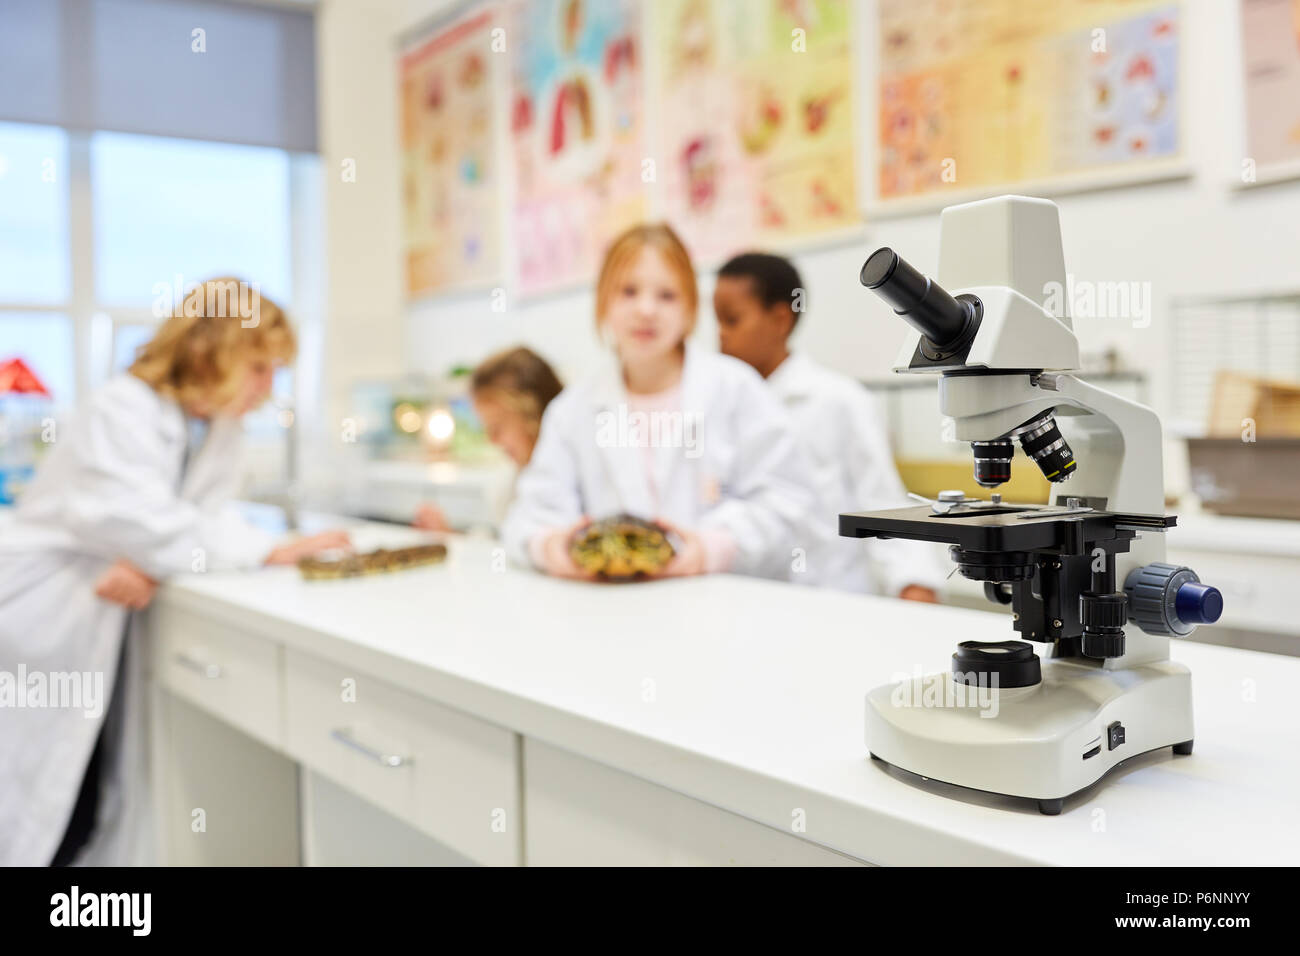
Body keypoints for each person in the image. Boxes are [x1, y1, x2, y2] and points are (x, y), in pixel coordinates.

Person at [0, 278, 350, 867]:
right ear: (209, 350)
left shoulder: (217, 427)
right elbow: (133, 518)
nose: (268, 389)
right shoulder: (122, 406)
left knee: (86, 800)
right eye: (260, 368)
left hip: (105, 605)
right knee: (44, 795)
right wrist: (265, 551)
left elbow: (185, 525)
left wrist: (154, 563)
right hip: (46, 612)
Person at [502, 223, 814, 580]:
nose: (646, 309)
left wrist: (708, 548)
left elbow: (787, 503)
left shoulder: (736, 389)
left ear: (690, 308)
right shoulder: (571, 410)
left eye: (667, 295)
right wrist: (551, 546)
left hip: (723, 605)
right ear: (603, 301)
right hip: (610, 609)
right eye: (628, 291)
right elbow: (531, 515)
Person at [715, 252, 944, 599]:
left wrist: (914, 581)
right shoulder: (719, 407)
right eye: (716, 321)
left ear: (779, 320)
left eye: (731, 320)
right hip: (746, 597)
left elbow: (881, 502)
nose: (720, 335)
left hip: (833, 598)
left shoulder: (839, 401)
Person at [413, 347, 563, 531]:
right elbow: (503, 544)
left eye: (497, 428)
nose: (493, 440)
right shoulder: (509, 485)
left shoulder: (575, 478)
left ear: (535, 417)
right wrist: (448, 535)